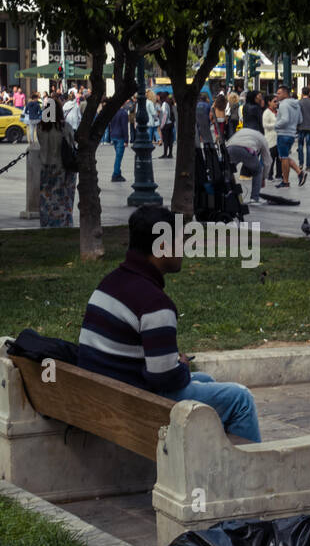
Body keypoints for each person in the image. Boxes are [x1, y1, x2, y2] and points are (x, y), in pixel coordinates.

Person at [77, 206, 260, 441]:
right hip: (134, 407)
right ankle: (245, 472)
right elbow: (163, 378)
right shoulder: (154, 303)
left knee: (206, 381)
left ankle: (207, 459)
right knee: (240, 399)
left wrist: (175, 366)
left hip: (106, 393)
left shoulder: (110, 283)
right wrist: (181, 365)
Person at [36, 99, 76, 227]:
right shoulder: (64, 127)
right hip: (62, 167)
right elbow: (71, 143)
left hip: (45, 167)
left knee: (47, 198)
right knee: (63, 197)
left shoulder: (40, 127)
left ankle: (47, 222)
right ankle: (63, 222)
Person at [226, 125, 273, 204]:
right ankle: (254, 198)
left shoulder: (243, 130)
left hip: (230, 148)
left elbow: (229, 141)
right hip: (247, 149)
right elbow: (268, 161)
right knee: (257, 171)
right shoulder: (262, 137)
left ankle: (228, 194)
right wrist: (263, 177)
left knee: (228, 171)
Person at [273, 85, 305, 187]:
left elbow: (285, 119)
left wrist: (275, 125)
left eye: (279, 93)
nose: (277, 95)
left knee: (284, 157)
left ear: (285, 94)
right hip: (291, 134)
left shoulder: (283, 105)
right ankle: (299, 173)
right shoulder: (296, 104)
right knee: (283, 157)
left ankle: (286, 181)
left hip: (283, 133)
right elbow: (300, 120)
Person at [296, 87, 310, 173]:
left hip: (300, 127)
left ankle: (301, 163)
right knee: (309, 146)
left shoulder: (299, 103)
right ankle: (308, 166)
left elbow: (296, 115)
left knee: (300, 145)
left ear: (302, 92)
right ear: (309, 93)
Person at [108, 101, 129, 182]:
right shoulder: (123, 113)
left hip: (114, 136)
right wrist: (126, 140)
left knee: (118, 155)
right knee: (118, 157)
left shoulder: (113, 112)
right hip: (120, 137)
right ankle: (115, 174)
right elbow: (125, 127)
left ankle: (118, 173)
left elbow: (111, 125)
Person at [264, 96, 280, 175]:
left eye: (277, 101)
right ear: (269, 102)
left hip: (279, 139)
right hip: (270, 139)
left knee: (279, 159)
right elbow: (265, 125)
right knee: (271, 159)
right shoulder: (267, 112)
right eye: (274, 101)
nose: (276, 103)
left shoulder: (278, 112)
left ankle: (279, 174)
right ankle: (269, 175)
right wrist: (276, 125)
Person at [158, 93, 175, 158]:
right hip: (170, 123)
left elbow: (165, 114)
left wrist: (162, 125)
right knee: (170, 139)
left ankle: (165, 153)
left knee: (165, 140)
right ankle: (170, 153)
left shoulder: (164, 104)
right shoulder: (169, 103)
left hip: (166, 124)